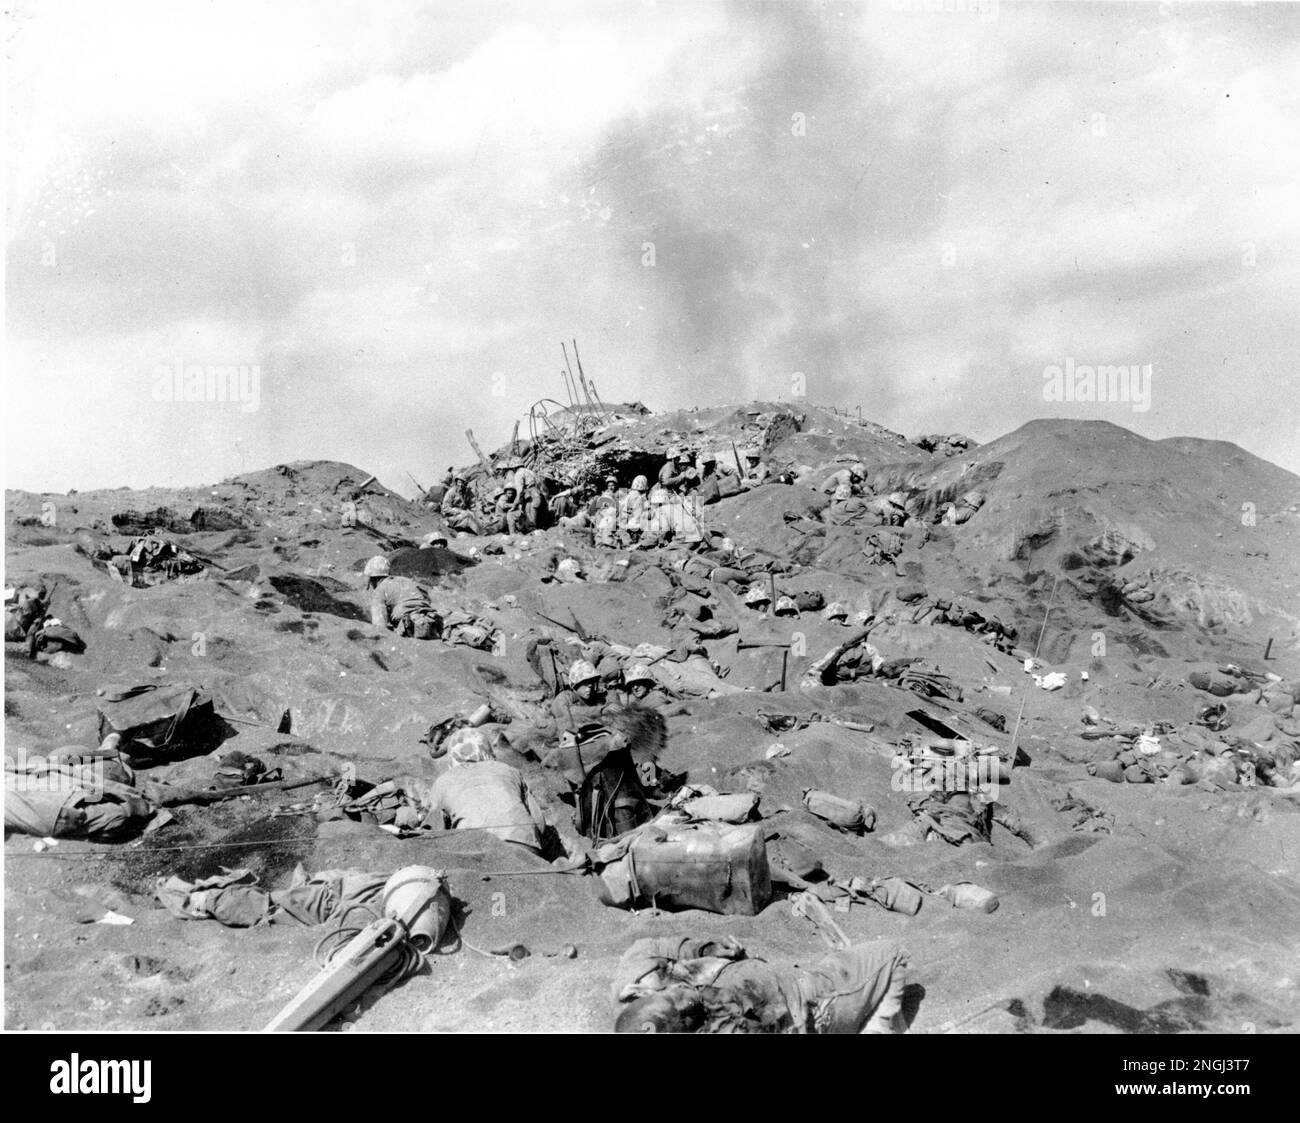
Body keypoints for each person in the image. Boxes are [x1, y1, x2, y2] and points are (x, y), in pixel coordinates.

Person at [612, 936, 910, 1034]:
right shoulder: (726, 1012)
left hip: (778, 986)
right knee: (892, 953)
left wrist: (706, 949)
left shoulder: (635, 1004)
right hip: (810, 996)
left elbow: (649, 948)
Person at [419, 730, 550, 855]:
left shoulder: (443, 781)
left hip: (474, 849)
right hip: (523, 844)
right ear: (487, 750)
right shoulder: (509, 770)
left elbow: (435, 833)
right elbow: (539, 822)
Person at [364, 556, 441, 639]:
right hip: (429, 618)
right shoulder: (406, 580)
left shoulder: (379, 590)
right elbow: (426, 597)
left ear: (372, 579)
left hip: (408, 625)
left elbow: (379, 627)